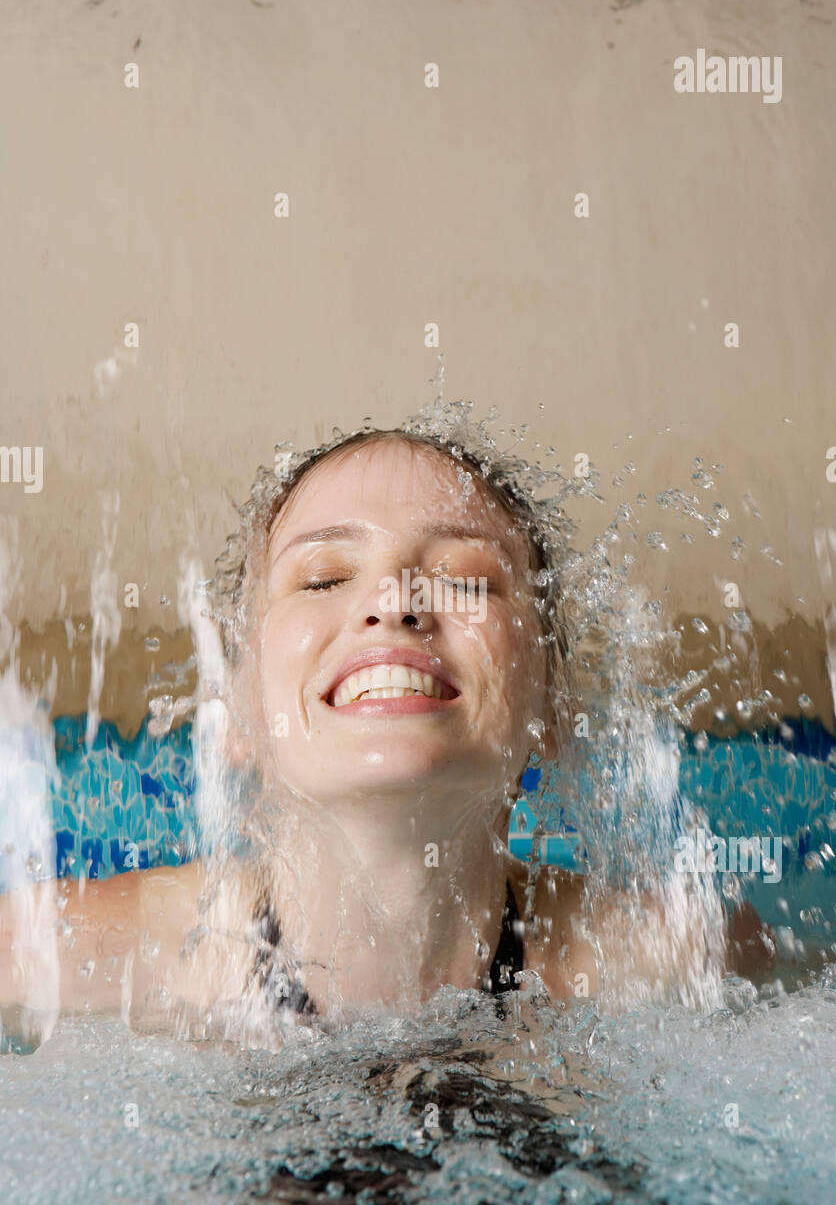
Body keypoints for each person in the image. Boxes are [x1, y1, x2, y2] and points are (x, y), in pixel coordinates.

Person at [0, 426, 773, 1034]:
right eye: (325, 578)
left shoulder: (671, 954)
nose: (395, 602)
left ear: (552, 711)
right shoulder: (82, 954)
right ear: (235, 716)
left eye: (467, 576)